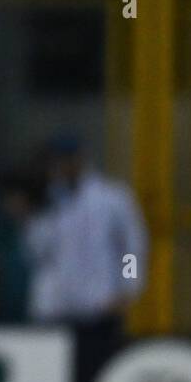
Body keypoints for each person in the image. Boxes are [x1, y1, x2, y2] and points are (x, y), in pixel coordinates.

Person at [22, 136, 148, 351]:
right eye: (57, 161)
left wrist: (128, 289)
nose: (62, 166)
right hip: (57, 307)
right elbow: (36, 253)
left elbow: (132, 247)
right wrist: (35, 214)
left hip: (100, 304)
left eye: (67, 159)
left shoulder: (111, 197)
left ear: (80, 159)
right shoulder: (47, 202)